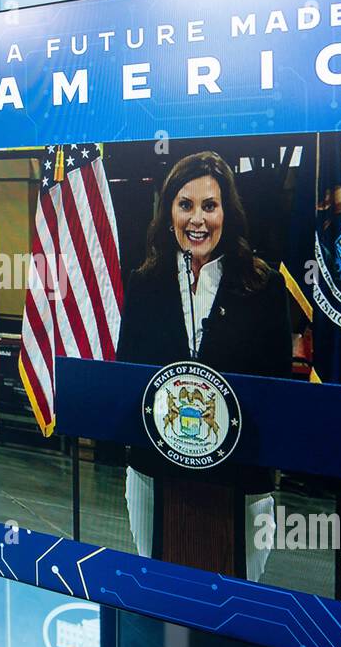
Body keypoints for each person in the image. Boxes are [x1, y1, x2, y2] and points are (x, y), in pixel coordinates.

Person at [116, 151, 293, 580]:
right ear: (169, 212)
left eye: (209, 206)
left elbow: (278, 385)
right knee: (161, 592)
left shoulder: (264, 285)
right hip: (153, 474)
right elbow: (128, 371)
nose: (198, 219)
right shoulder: (143, 282)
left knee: (236, 605)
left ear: (227, 213)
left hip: (240, 480)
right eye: (185, 205)